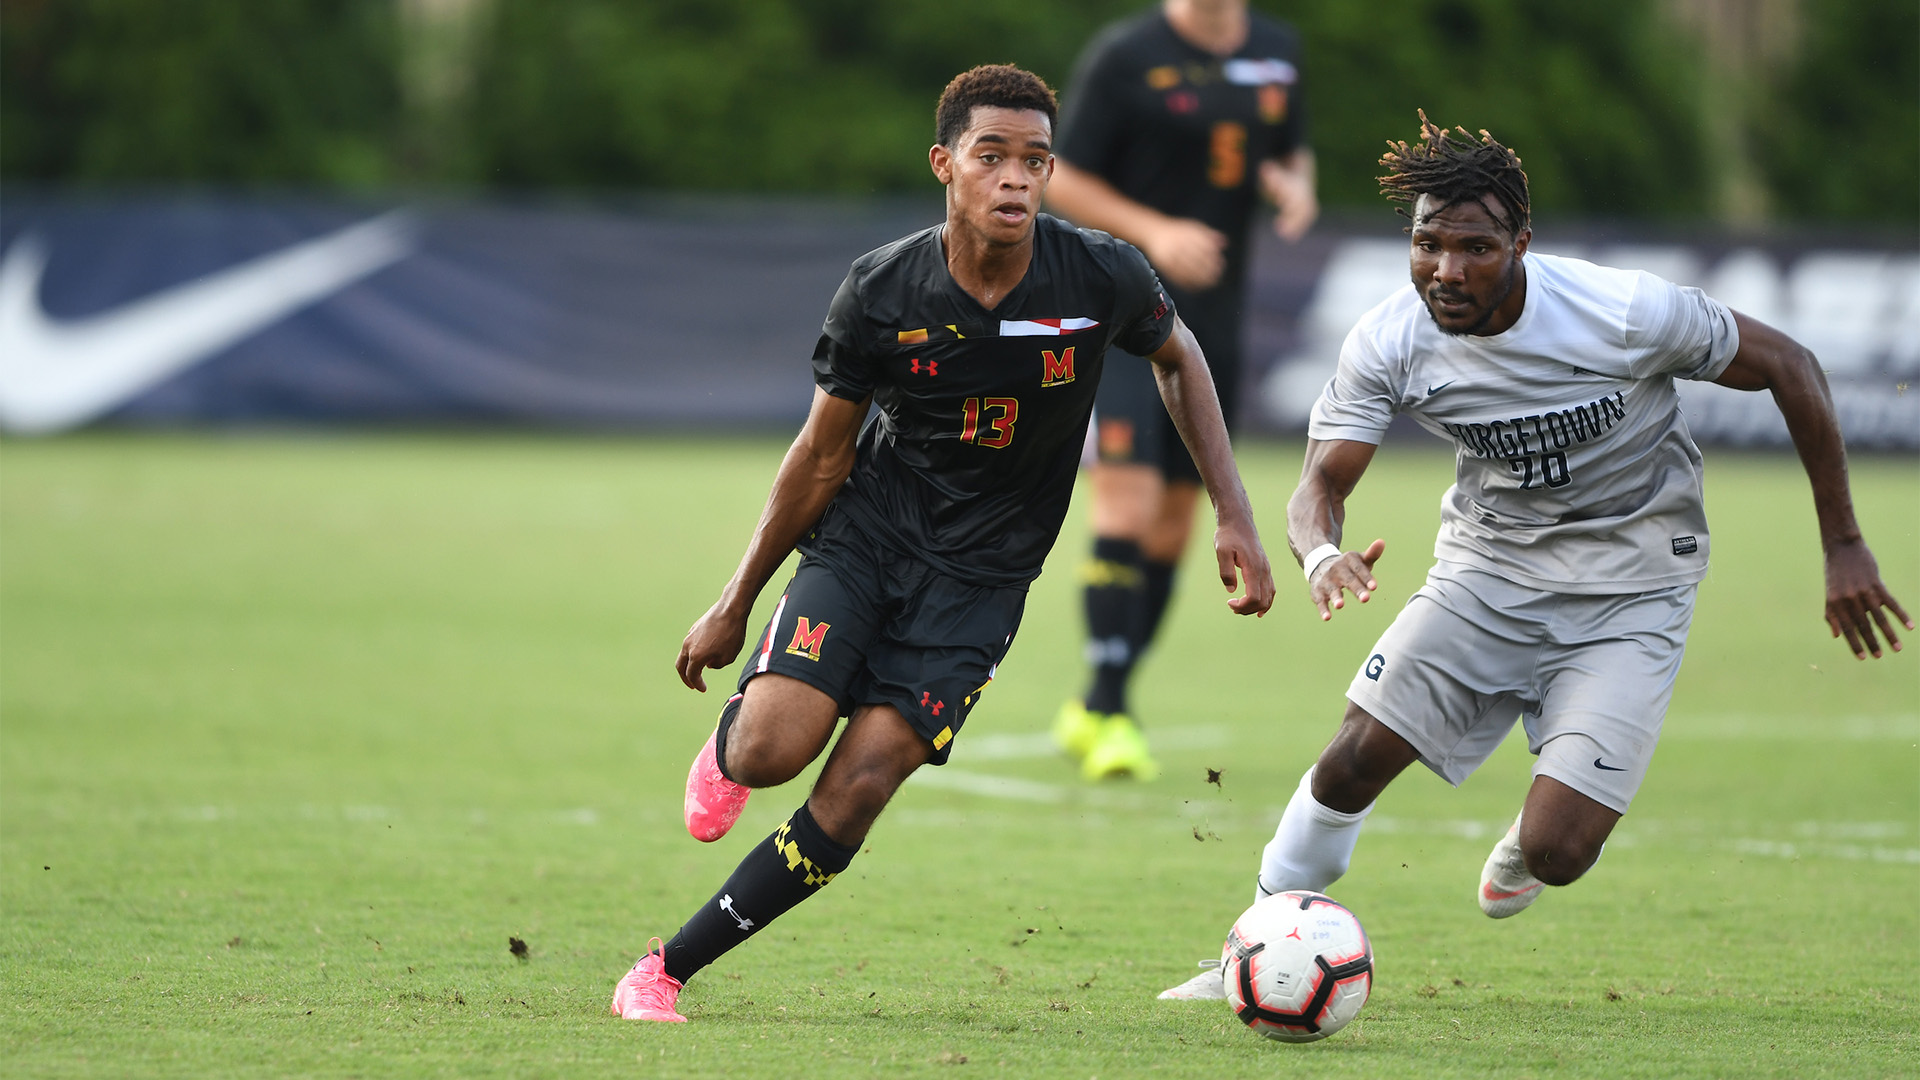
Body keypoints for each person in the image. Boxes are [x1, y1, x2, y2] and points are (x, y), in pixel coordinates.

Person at [1160, 113, 1912, 1000]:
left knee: (1561, 852)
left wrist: (1845, 544)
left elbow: (1790, 364)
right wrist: (1321, 552)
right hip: (1487, 572)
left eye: (1474, 248)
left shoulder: (1624, 312)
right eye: (1427, 244)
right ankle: (1249, 948)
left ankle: (1529, 839)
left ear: (1521, 243)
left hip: (1634, 586)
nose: (1446, 270)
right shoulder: (1392, 339)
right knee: (1353, 756)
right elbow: (1319, 482)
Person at [608, 64, 1277, 1023]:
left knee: (860, 786)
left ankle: (663, 970)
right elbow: (820, 456)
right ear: (945, 164)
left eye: (1035, 161)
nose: (1015, 178)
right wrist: (735, 601)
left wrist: (1234, 511)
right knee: (769, 752)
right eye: (991, 156)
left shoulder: (1101, 274)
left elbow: (1180, 358)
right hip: (868, 540)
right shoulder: (882, 289)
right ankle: (727, 748)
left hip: (985, 581)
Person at [1046, 0, 1317, 781]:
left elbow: (1291, 151)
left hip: (1215, 323)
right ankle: (1108, 711)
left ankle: (1103, 694)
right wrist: (1154, 232)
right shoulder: (1127, 55)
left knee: (1171, 525)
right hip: (1123, 313)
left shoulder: (1278, 51)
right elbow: (1062, 176)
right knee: (1125, 502)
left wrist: (1294, 186)